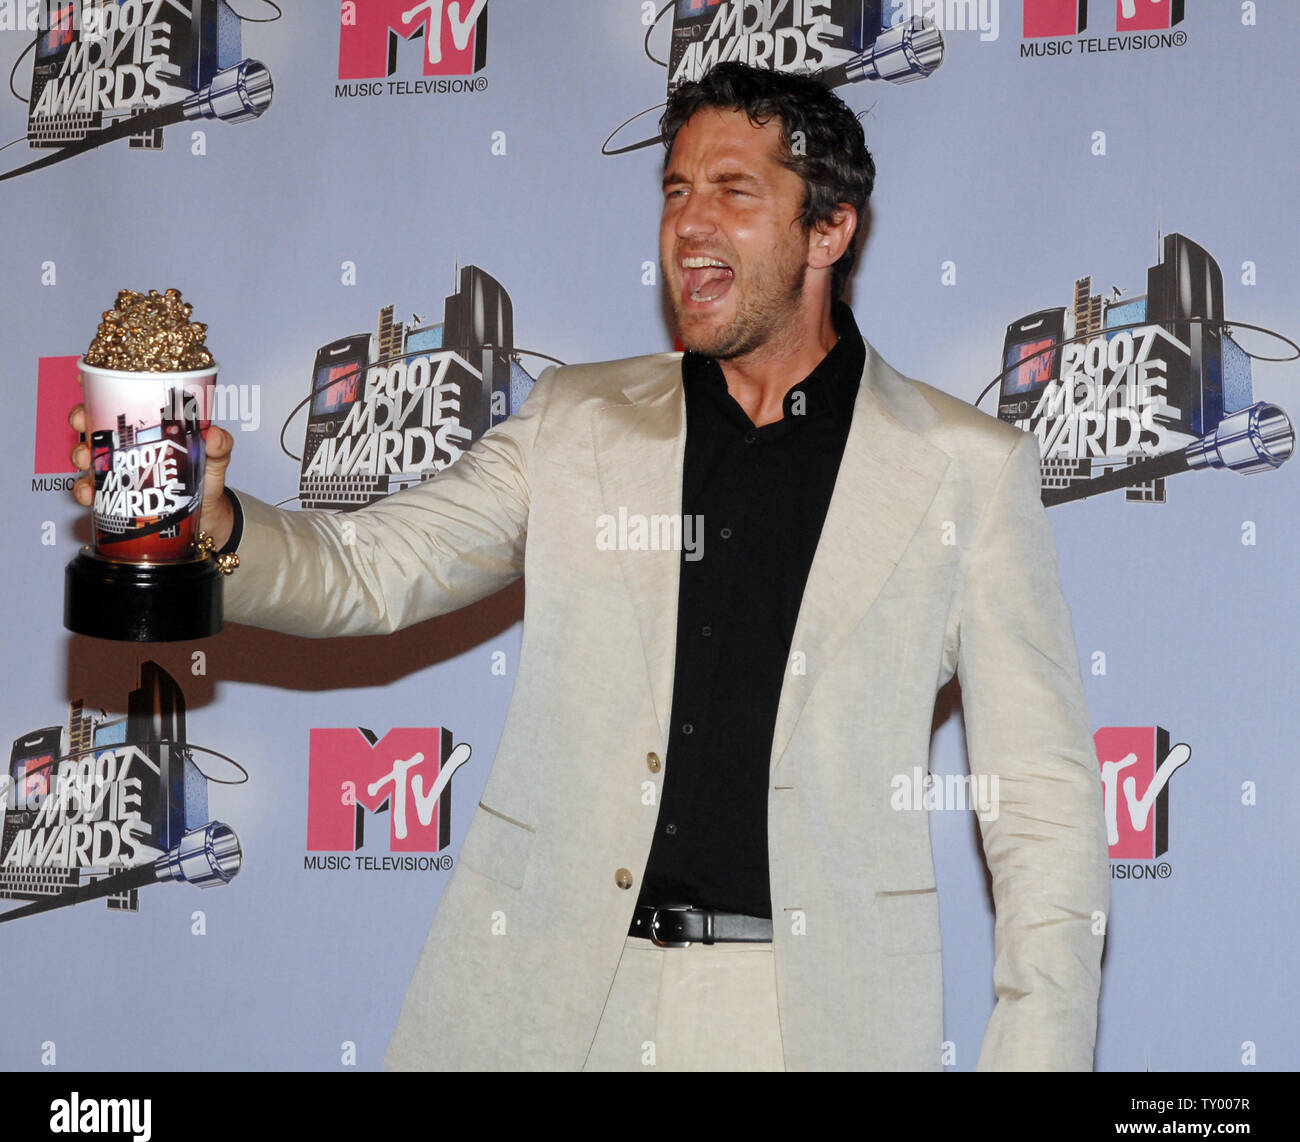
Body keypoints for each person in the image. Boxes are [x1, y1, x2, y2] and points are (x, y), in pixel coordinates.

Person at [71, 62, 1109, 1071]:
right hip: (556, 993)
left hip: (802, 1016)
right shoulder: (578, 421)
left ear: (828, 230)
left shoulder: (966, 470)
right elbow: (369, 569)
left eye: (734, 192)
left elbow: (1042, 812)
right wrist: (210, 525)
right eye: (675, 190)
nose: (689, 223)